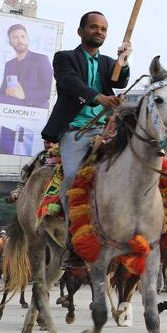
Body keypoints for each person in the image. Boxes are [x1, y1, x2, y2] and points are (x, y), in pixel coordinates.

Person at [41, 11, 131, 211]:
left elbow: (120, 80)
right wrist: (98, 98)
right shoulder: (64, 58)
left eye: (103, 29)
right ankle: (70, 231)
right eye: (93, 27)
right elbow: (69, 82)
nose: (99, 31)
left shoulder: (108, 63)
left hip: (108, 130)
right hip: (76, 131)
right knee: (73, 176)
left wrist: (122, 60)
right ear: (80, 31)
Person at [0, 22, 53, 107]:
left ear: (28, 39)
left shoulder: (40, 59)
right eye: (15, 38)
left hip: (34, 107)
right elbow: (2, 91)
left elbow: (51, 89)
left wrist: (25, 95)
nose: (20, 41)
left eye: (22, 37)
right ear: (10, 42)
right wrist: (7, 92)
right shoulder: (9, 65)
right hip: (13, 105)